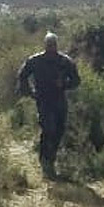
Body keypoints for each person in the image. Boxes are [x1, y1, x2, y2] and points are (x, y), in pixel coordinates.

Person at [16, 32, 81, 179]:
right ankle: (45, 161)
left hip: (59, 100)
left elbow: (76, 80)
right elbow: (22, 75)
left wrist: (64, 84)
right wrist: (29, 92)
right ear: (45, 45)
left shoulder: (65, 61)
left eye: (54, 44)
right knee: (48, 128)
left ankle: (51, 157)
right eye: (49, 44)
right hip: (43, 100)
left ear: (57, 45)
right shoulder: (35, 60)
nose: (51, 47)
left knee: (59, 130)